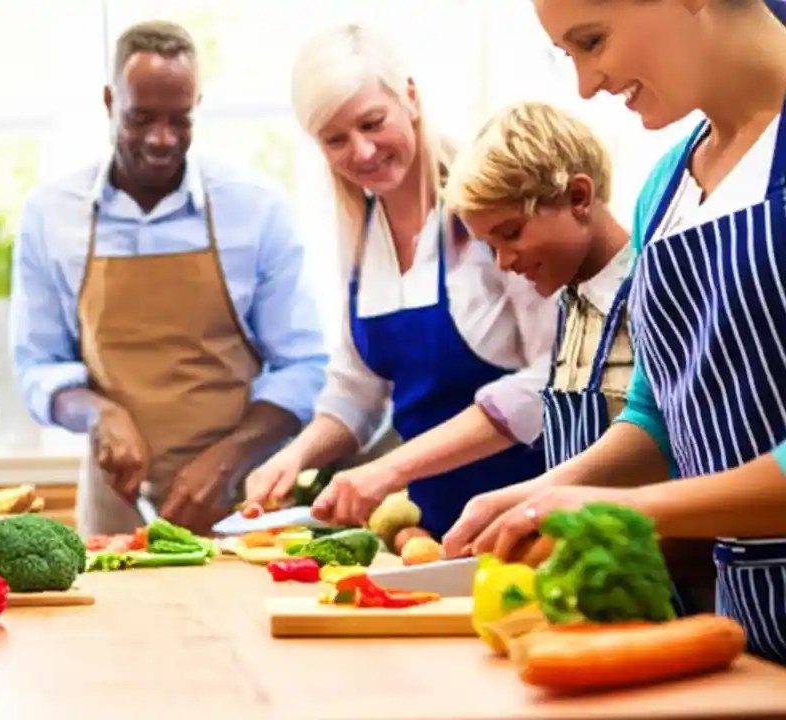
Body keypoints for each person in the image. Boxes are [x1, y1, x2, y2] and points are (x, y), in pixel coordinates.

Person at [462, 0, 786, 664]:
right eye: (569, 55)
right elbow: (656, 418)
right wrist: (538, 497)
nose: (587, 85)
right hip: (744, 633)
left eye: (592, 40)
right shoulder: (662, 194)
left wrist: (632, 512)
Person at [10, 20, 329, 536]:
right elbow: (37, 365)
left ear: (198, 102)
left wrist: (226, 460)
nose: (162, 139)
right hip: (115, 504)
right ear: (110, 100)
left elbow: (305, 367)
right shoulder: (51, 215)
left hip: (238, 500)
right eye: (141, 118)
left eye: (180, 120)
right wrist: (100, 414)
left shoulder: (254, 208)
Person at [244, 24, 560, 540]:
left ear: (409, 96)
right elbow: (358, 391)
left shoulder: (486, 215)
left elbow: (552, 377)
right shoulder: (359, 237)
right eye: (336, 139)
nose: (362, 152)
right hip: (432, 532)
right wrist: (293, 458)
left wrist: (392, 468)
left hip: (525, 520)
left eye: (372, 123)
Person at [436, 101, 716, 612]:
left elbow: (698, 477)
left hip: (674, 599)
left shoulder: (659, 296)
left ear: (579, 197)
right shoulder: (570, 308)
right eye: (488, 246)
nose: (504, 261)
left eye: (511, 233)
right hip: (594, 599)